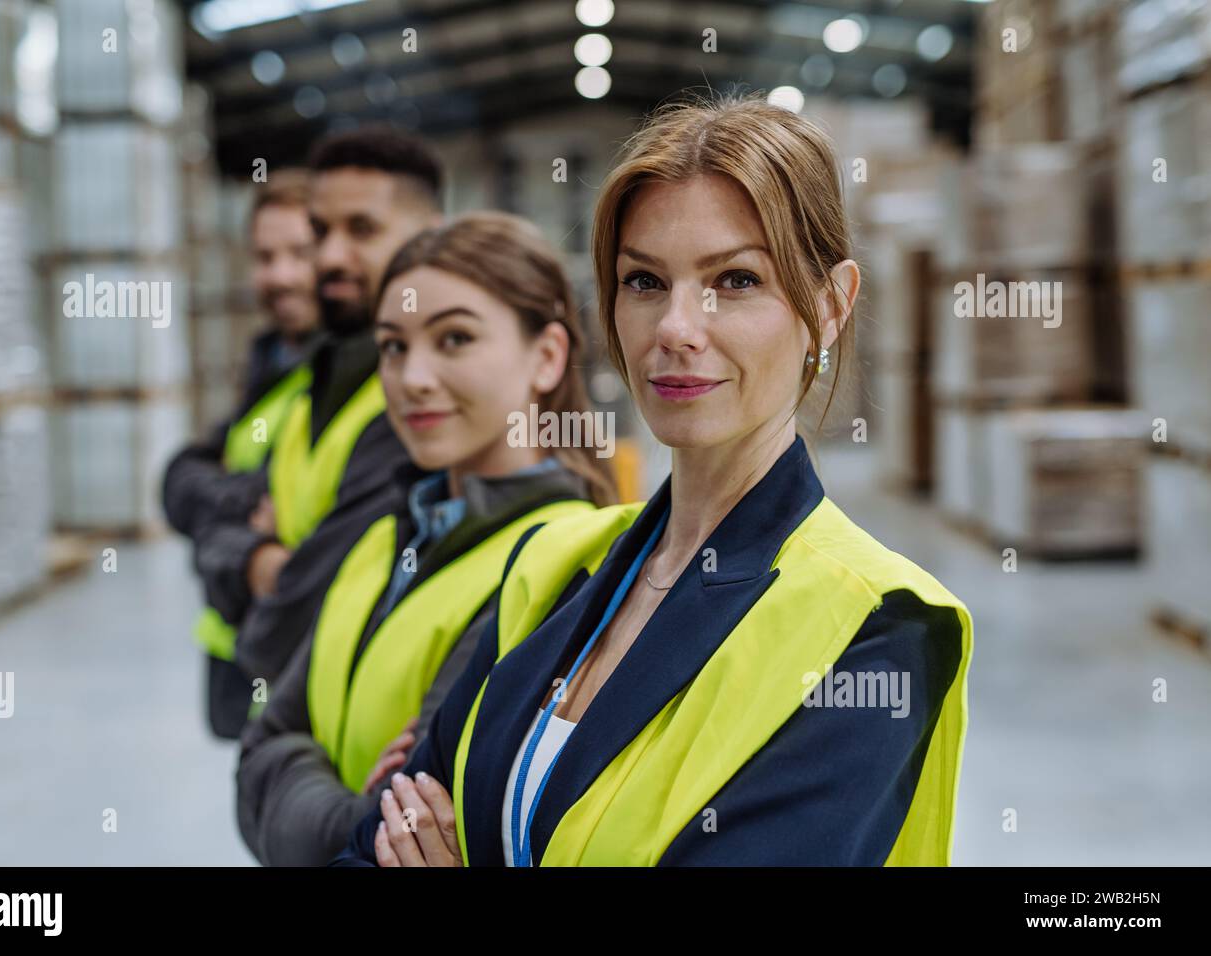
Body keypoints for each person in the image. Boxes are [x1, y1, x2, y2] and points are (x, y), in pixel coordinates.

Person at [332, 94, 974, 867]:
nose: (675, 327)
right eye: (643, 282)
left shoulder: (874, 630)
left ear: (831, 307)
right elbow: (380, 839)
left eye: (735, 280)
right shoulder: (551, 565)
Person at [236, 212, 617, 865]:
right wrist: (349, 806)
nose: (412, 377)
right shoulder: (384, 538)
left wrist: (314, 791)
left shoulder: (564, 567)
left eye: (455, 339)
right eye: (393, 345)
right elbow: (260, 750)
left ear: (547, 356)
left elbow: (407, 829)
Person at [165, 130, 445, 739]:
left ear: (430, 235)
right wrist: (255, 556)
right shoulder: (309, 379)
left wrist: (243, 562)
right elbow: (181, 483)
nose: (332, 258)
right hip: (288, 729)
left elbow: (301, 614)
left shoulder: (420, 408)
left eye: (363, 230)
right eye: (321, 232)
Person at [162, 169, 323, 738]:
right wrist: (241, 510)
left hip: (299, 671)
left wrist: (216, 516)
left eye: (299, 253)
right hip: (242, 656)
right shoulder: (272, 362)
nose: (280, 275)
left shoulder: (353, 380)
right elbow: (178, 481)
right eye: (264, 256)